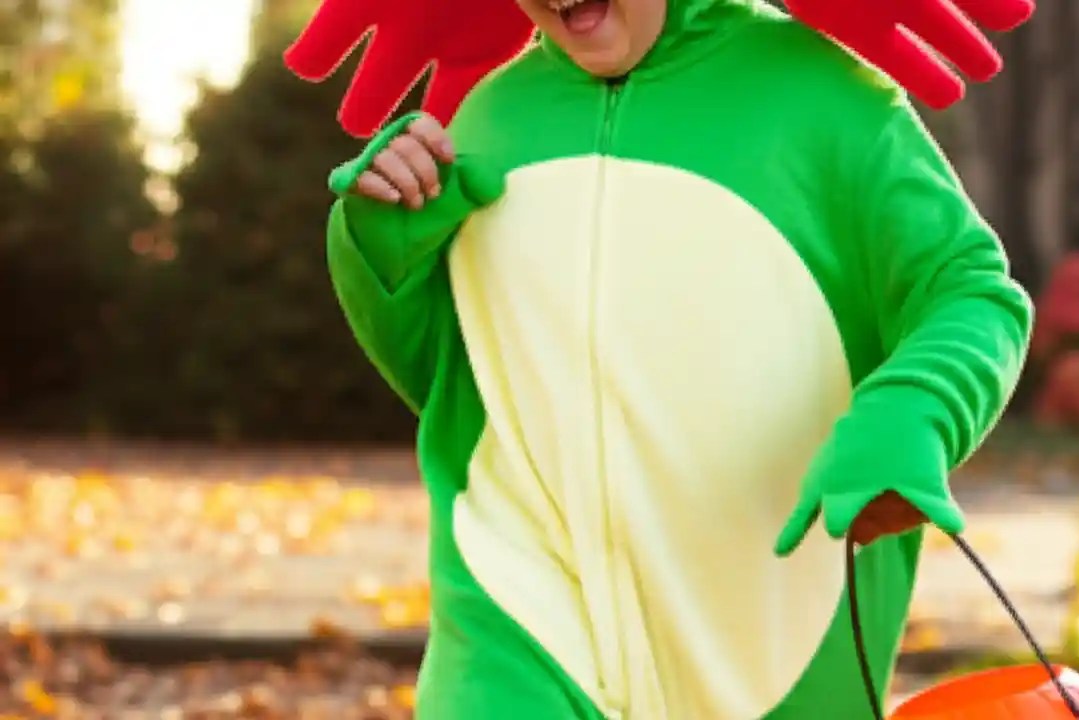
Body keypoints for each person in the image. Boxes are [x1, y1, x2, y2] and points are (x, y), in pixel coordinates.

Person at [287, 0, 1036, 717]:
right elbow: (455, 377)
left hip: (768, 635)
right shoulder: (487, 118)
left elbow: (968, 289)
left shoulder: (830, 102)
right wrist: (380, 250)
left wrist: (913, 411)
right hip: (517, 610)